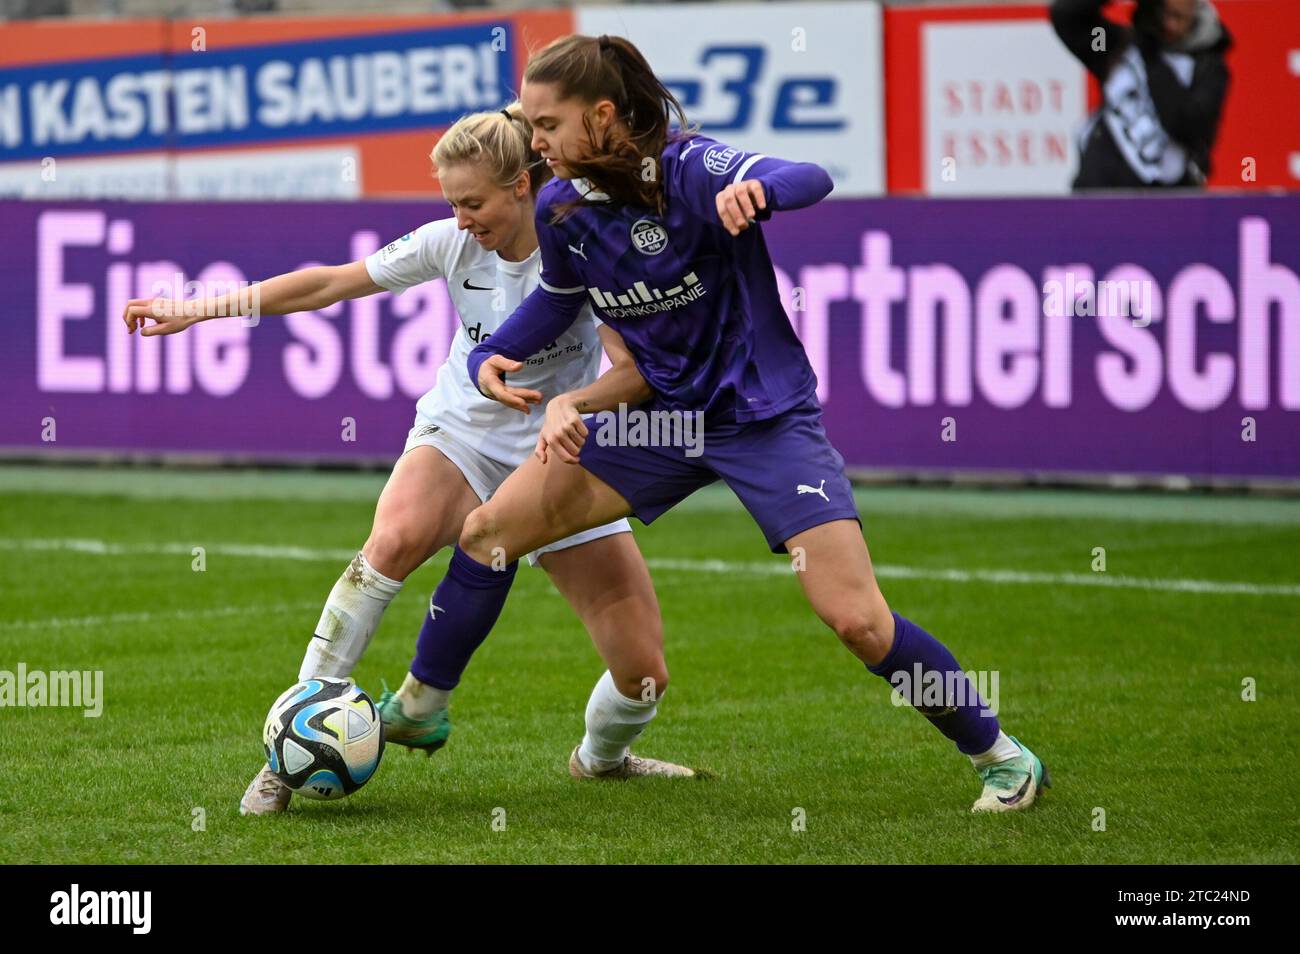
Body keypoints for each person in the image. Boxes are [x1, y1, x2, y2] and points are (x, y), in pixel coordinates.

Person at [397, 34, 1050, 813]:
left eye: (548, 123)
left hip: (762, 420)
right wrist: (490, 358)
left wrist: (762, 192)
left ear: (603, 116)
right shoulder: (561, 206)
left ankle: (1002, 756)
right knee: (487, 534)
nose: (534, 143)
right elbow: (555, 301)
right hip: (661, 421)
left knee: (858, 622)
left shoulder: (689, 168)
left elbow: (807, 175)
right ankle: (419, 710)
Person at [121, 103, 694, 817]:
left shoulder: (582, 245)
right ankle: (286, 752)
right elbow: (330, 283)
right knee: (387, 546)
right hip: (462, 434)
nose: (460, 219)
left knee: (643, 674)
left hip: (558, 454)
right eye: (451, 202)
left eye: (473, 202)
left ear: (522, 185)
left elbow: (635, 368)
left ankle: (602, 762)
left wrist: (584, 406)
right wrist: (199, 308)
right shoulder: (450, 242)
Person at [1051, 0, 1232, 189]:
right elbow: (1068, 17)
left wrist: (1152, 56)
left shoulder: (1209, 69)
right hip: (1097, 196)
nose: (1169, 24)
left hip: (1164, 205)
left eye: (1178, 17)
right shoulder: (1113, 46)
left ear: (1194, 12)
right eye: (1164, 14)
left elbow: (1186, 125)